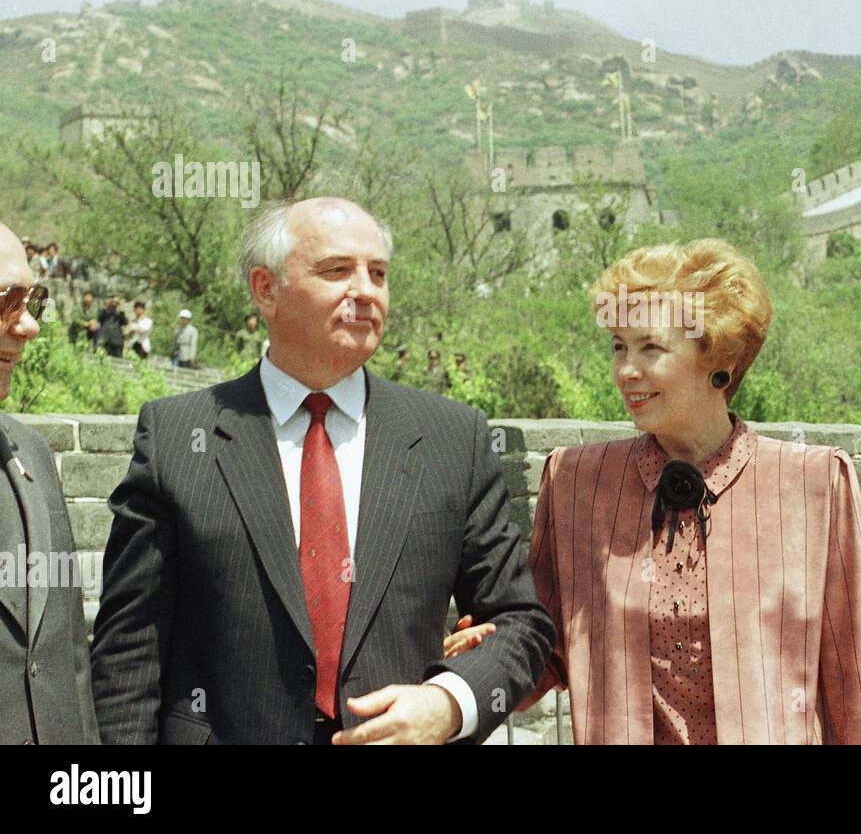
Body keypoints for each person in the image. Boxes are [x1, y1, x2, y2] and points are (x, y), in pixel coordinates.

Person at [91, 197, 554, 745]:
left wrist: (448, 702)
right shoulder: (177, 437)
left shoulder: (452, 438)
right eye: (337, 270)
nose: (365, 291)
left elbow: (522, 623)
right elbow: (128, 648)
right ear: (267, 289)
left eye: (378, 273)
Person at [447, 239, 861, 744]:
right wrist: (484, 658)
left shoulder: (814, 484)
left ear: (720, 358)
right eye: (618, 347)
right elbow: (542, 648)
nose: (627, 370)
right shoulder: (577, 483)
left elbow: (859, 686)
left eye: (651, 348)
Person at [0, 222, 100, 744]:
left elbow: (69, 660)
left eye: (33, 301)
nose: (28, 327)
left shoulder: (30, 452)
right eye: (6, 301)